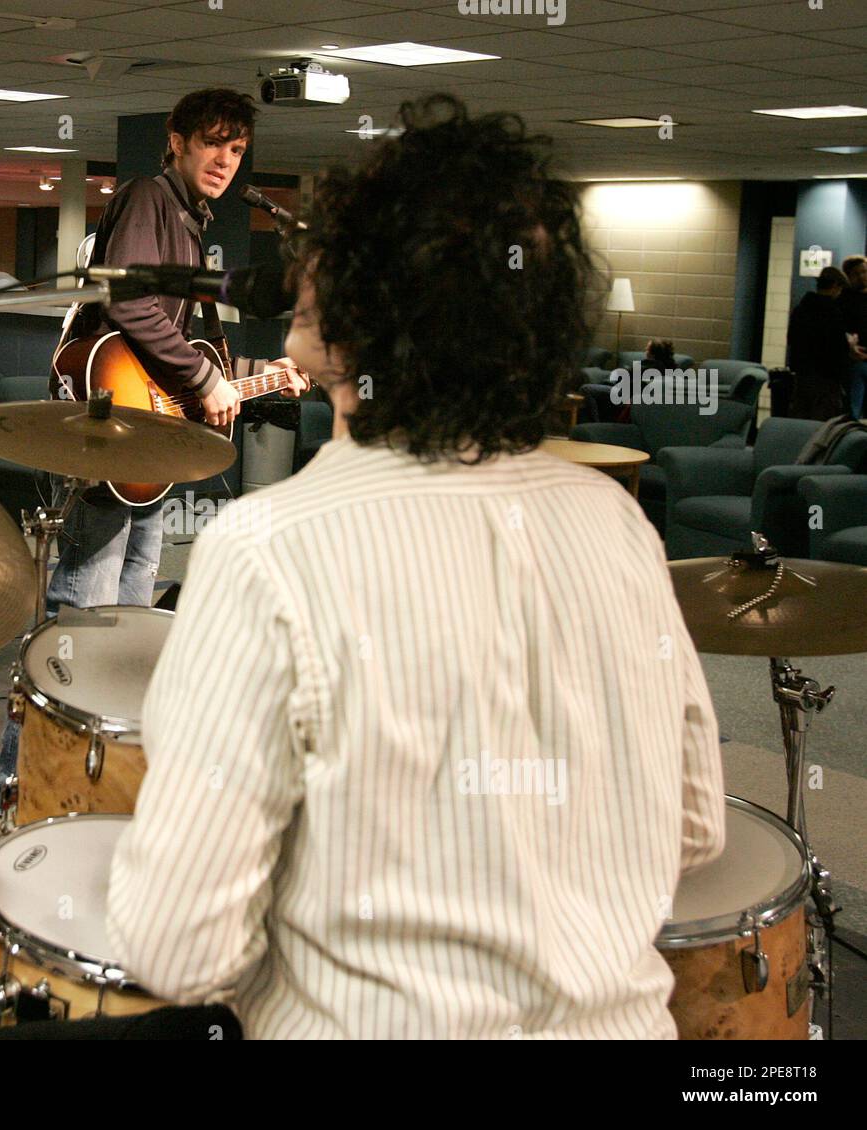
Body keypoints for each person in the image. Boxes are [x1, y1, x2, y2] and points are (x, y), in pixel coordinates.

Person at [105, 93, 725, 1039]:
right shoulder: (620, 527)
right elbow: (695, 829)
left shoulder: (271, 549)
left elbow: (180, 948)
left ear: (339, 310)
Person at [0, 88, 309, 825]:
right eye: (213, 142)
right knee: (81, 614)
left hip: (150, 442)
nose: (225, 159)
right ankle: (5, 785)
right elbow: (129, 307)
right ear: (177, 141)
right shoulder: (149, 197)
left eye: (238, 149)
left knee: (127, 617)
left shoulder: (192, 224)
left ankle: (92, 779)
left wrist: (240, 377)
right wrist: (200, 378)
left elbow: (182, 336)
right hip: (113, 429)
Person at [788, 266, 857, 420]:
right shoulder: (832, 312)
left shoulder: (801, 308)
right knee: (822, 421)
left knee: (801, 415)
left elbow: (792, 338)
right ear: (835, 286)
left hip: (803, 373)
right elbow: (837, 346)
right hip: (826, 376)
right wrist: (850, 344)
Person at [838, 254, 867, 417]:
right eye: (857, 273)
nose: (862, 277)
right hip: (854, 362)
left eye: (864, 271)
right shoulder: (844, 299)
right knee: (853, 410)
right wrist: (848, 345)